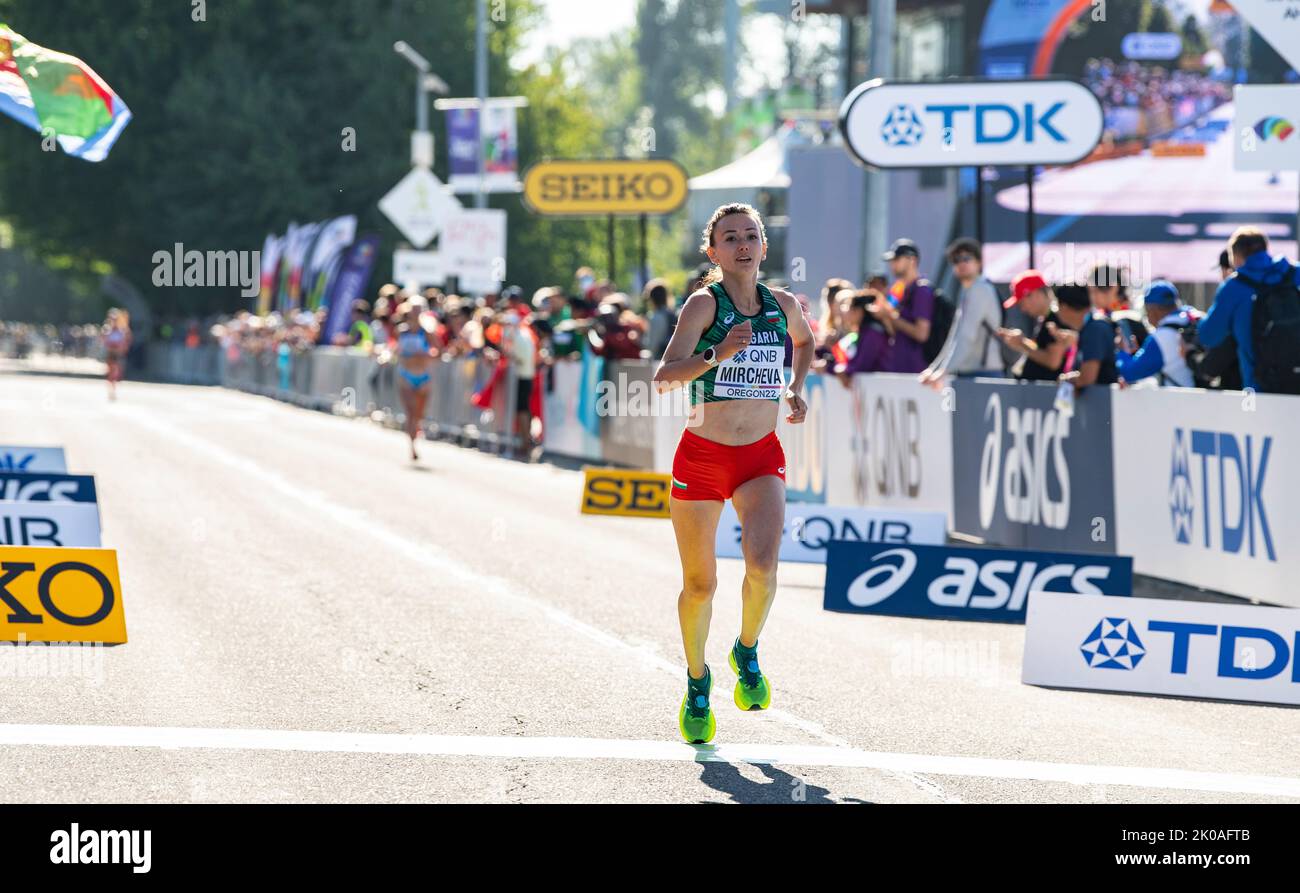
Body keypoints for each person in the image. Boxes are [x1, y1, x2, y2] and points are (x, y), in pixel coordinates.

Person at [652, 202, 813, 745]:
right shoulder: (704, 304)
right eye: (730, 238)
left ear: (764, 246)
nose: (742, 245)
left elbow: (806, 342)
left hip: (760, 457)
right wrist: (717, 353)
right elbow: (664, 377)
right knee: (701, 585)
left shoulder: (782, 304)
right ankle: (698, 682)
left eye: (751, 235)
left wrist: (795, 385)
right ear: (713, 251)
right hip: (701, 457)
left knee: (764, 567)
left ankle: (746, 649)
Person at [1201, 226, 1300, 393]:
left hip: (1260, 389)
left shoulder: (1234, 286)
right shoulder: (1295, 272)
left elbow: (1208, 336)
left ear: (1236, 257)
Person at [921, 238, 1004, 387]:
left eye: (967, 258)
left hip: (984, 375)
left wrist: (942, 372)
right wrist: (935, 368)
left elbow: (966, 336)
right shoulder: (969, 290)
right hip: (972, 373)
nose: (961, 263)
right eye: (956, 260)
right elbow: (955, 335)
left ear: (979, 263)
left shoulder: (979, 289)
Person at [1116, 281, 1196, 387]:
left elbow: (1129, 373)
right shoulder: (1192, 317)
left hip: (1179, 402)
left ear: (1153, 309)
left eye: (1146, 310)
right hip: (1205, 397)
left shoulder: (1161, 337)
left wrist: (1122, 351)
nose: (1147, 316)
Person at [997, 270, 1072, 381]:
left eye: (1022, 302)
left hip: (1048, 393)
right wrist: (1022, 342)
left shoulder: (1056, 318)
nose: (1022, 309)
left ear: (1035, 294)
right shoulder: (1046, 318)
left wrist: (1022, 344)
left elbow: (1053, 361)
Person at [877, 239, 936, 374]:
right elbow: (893, 331)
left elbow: (922, 334)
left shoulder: (922, 290)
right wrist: (884, 316)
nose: (892, 264)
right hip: (901, 369)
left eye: (897, 259)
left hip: (917, 372)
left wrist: (889, 316)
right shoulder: (898, 290)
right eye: (891, 261)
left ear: (912, 260)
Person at [394, 298, 438, 461]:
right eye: (414, 309)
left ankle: (414, 438)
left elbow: (438, 350)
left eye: (419, 309)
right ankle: (412, 447)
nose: (416, 312)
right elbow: (395, 349)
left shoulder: (426, 331)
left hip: (423, 375)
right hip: (406, 374)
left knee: (419, 415)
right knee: (411, 412)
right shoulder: (401, 330)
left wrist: (427, 354)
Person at [1055, 283, 1119, 391]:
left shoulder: (1095, 328)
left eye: (1056, 306)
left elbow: (1087, 378)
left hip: (1108, 403)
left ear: (1064, 307)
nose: (1056, 311)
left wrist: (1065, 379)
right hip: (1104, 402)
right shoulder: (1091, 326)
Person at [102, 308, 132, 401]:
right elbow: (104, 342)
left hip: (118, 354)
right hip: (111, 354)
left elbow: (127, 342)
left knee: (116, 374)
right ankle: (111, 390)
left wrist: (122, 348)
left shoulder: (122, 331)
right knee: (111, 373)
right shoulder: (108, 330)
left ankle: (113, 389)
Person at [643, 279, 677, 359]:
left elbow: (652, 346)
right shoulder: (672, 314)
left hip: (660, 360)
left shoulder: (655, 317)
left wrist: (637, 339)